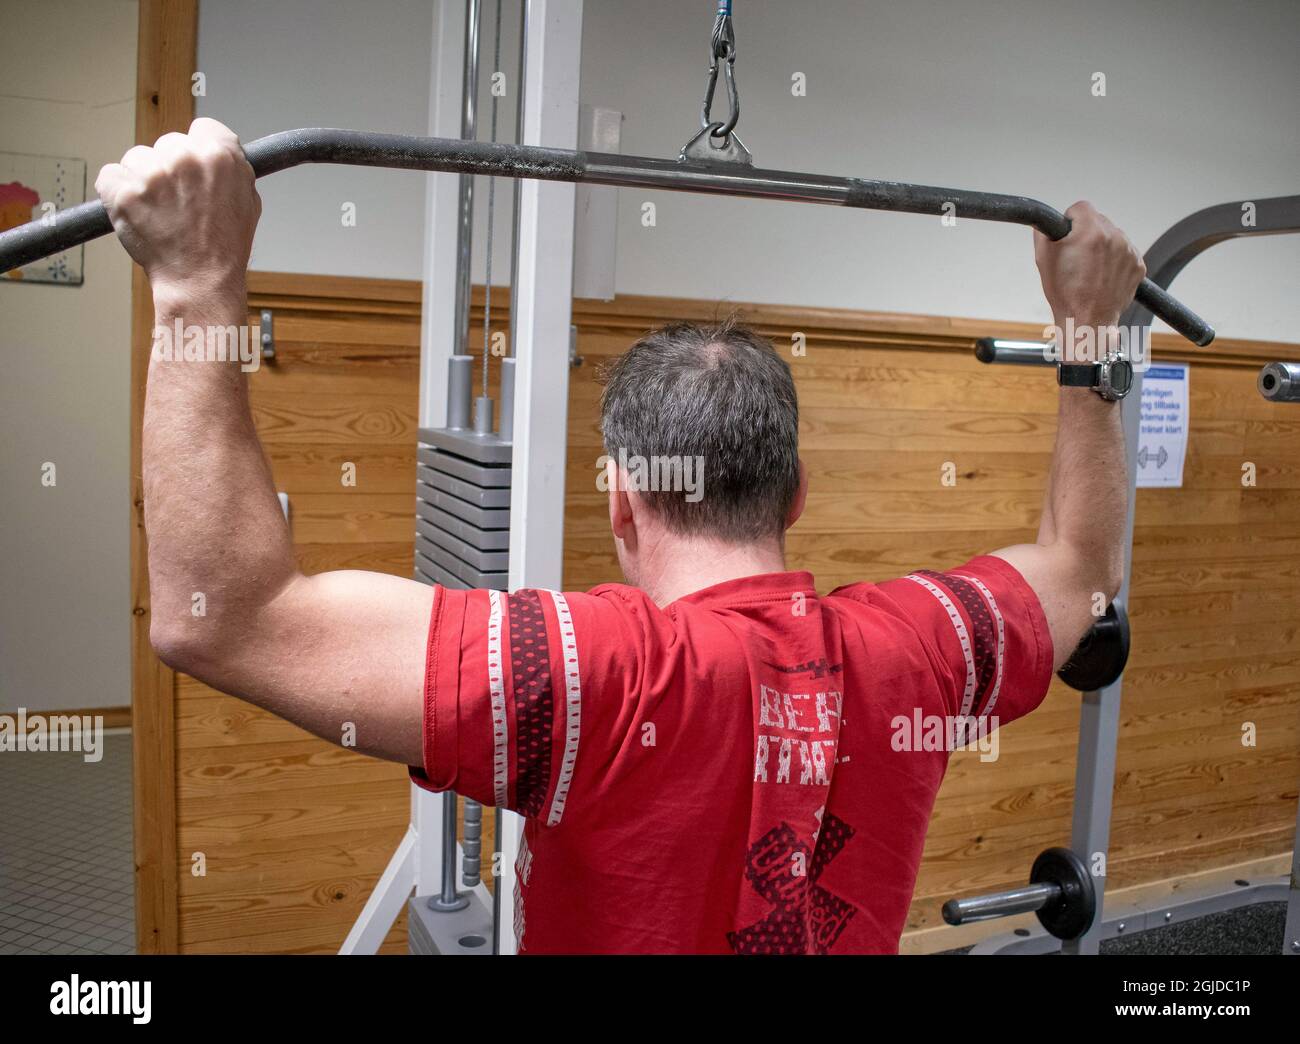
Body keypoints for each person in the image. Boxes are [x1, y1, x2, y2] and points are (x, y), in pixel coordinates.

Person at [96, 118, 1144, 954]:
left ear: (622, 505)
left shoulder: (584, 680)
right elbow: (1082, 570)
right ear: (796, 496)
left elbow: (218, 622)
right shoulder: (918, 648)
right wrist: (1089, 334)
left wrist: (195, 285)